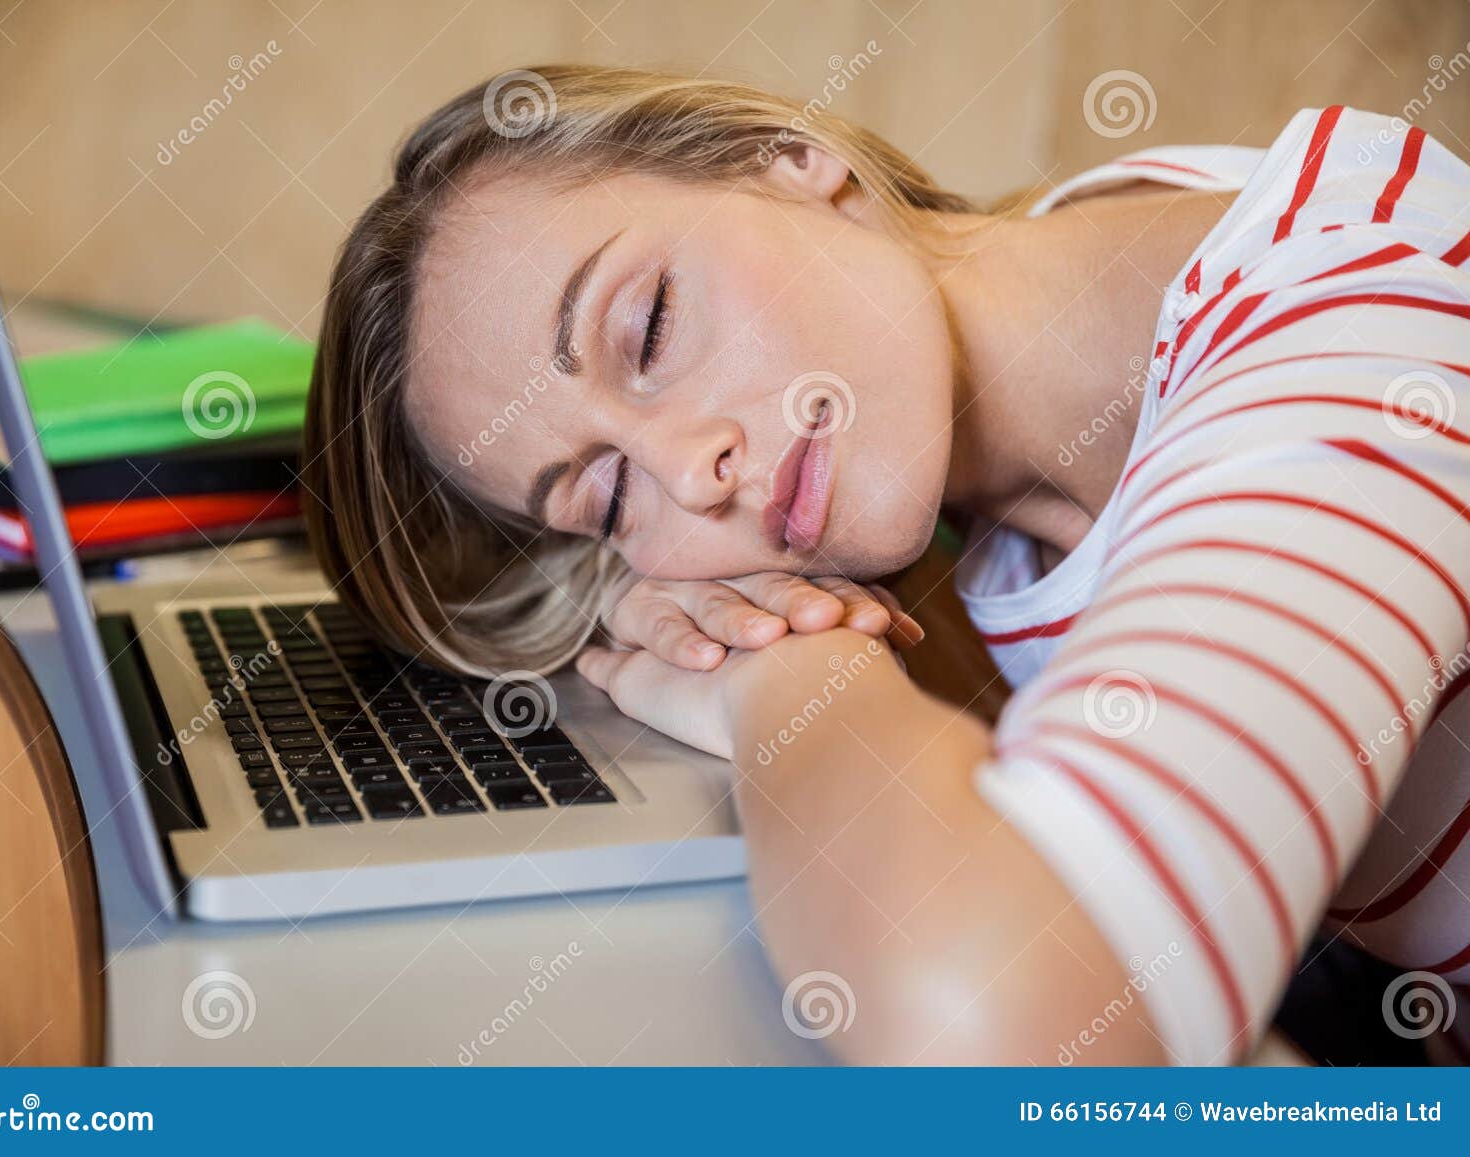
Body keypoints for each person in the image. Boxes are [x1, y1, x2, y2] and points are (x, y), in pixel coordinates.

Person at [302, 66, 1470, 1064]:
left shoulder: (1362, 325)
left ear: (788, 159)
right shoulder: (1064, 261)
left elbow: (1006, 1043)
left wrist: (785, 671)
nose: (691, 472)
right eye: (607, 497)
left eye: (648, 326)